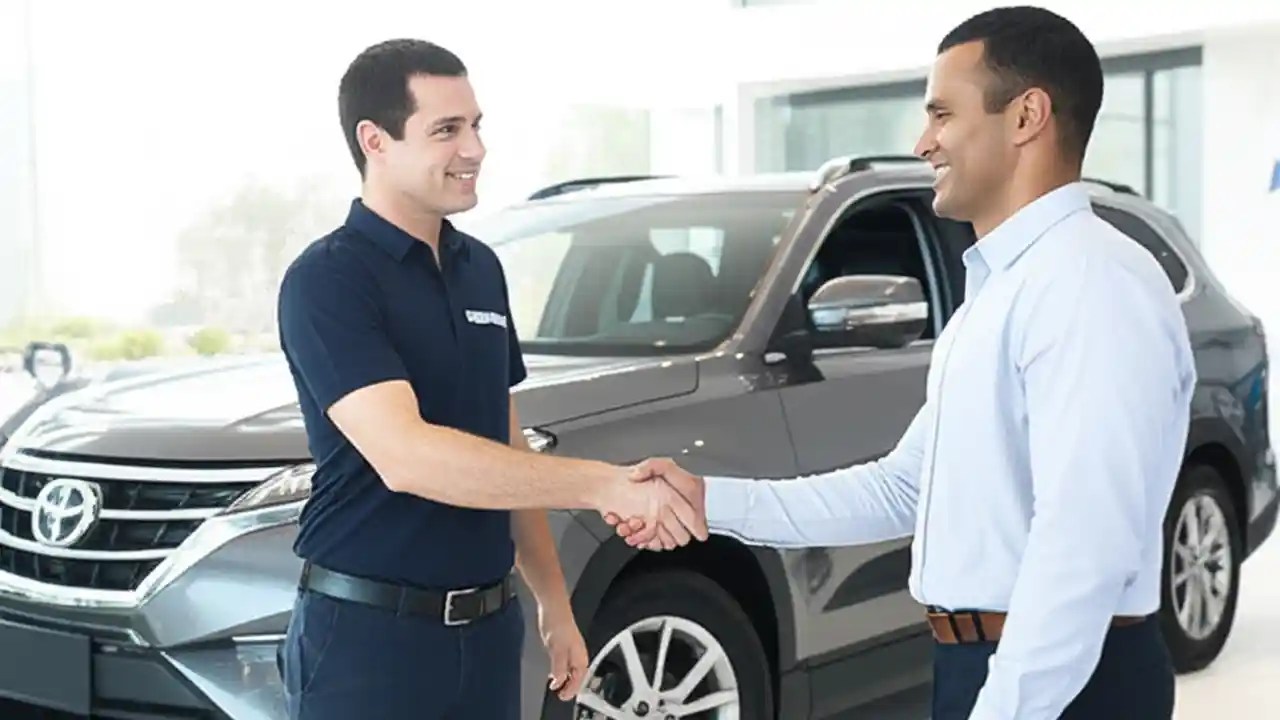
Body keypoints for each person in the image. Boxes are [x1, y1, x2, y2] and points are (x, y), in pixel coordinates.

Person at [608, 7, 1195, 720]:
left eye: (943, 114)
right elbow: (904, 488)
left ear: (1026, 117)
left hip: (1062, 685)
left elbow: (1084, 544)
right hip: (992, 665)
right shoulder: (1005, 288)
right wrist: (710, 501)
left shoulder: (1087, 284)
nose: (923, 143)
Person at [275, 39, 706, 720]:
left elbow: (505, 446)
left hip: (488, 632)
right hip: (368, 641)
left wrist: (554, 604)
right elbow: (407, 458)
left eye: (476, 125)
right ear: (374, 141)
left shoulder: (480, 269)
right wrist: (604, 484)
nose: (475, 149)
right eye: (447, 130)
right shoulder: (328, 280)